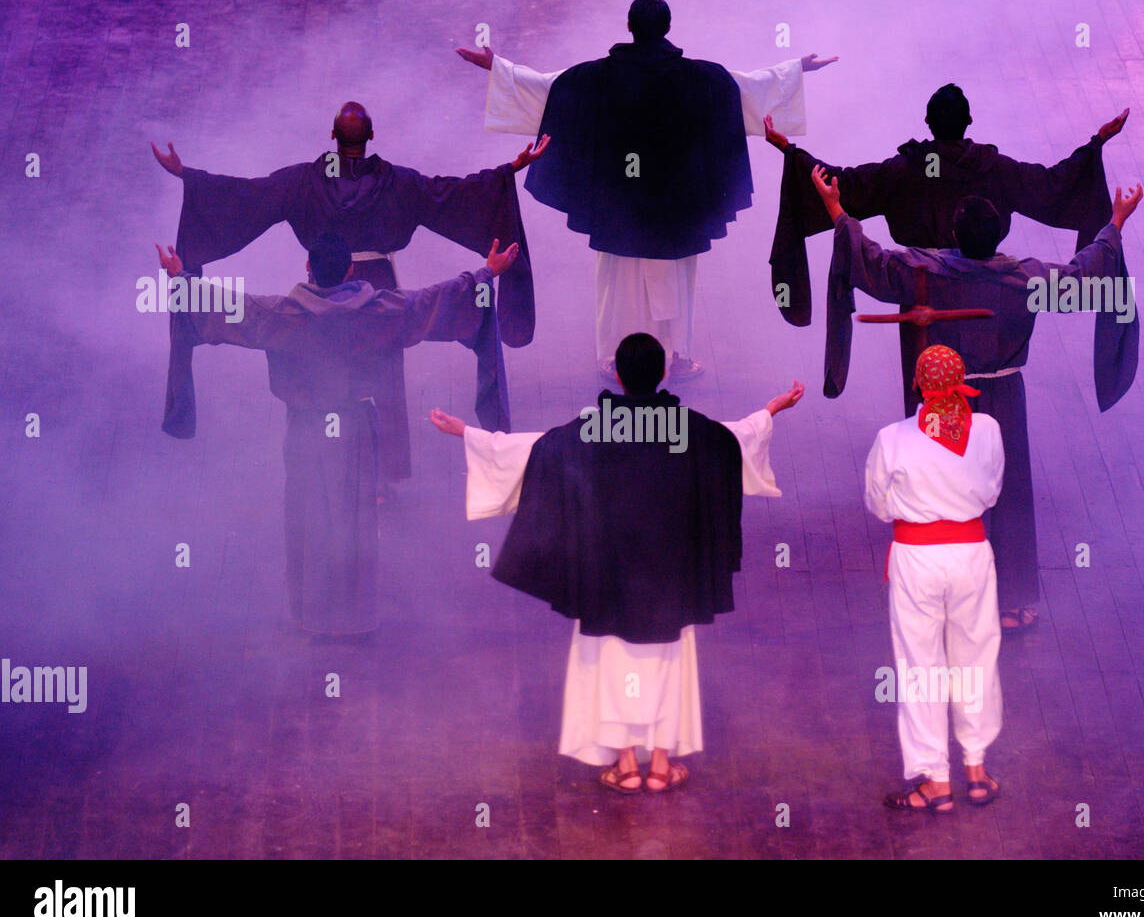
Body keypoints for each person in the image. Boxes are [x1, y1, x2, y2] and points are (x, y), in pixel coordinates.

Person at [431, 333, 803, 792]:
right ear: (664, 373)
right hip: (670, 574)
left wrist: (467, 434)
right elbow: (733, 439)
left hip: (609, 573)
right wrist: (771, 410)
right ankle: (662, 766)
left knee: (611, 661)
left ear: (617, 375)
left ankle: (626, 765)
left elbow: (532, 450)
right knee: (668, 659)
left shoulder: (593, 428)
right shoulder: (687, 428)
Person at [151, 102, 546, 495]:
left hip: (322, 282)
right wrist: (506, 173)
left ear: (332, 135)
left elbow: (248, 195)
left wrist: (190, 177)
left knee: (315, 347)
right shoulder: (396, 183)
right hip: (377, 287)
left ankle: (316, 435)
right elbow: (450, 194)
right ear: (371, 136)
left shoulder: (303, 182)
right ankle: (384, 472)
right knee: (384, 369)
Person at [811, 164, 1144, 629]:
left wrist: (833, 205)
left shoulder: (922, 271)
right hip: (1004, 394)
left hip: (941, 398)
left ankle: (942, 597)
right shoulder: (1026, 280)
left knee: (938, 488)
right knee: (1007, 490)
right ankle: (1009, 602)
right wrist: (1117, 222)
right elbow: (1083, 272)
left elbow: (868, 256)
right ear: (1000, 234)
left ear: (952, 233)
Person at [156, 232, 520, 637]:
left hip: (306, 429)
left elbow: (227, 307)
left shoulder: (278, 314)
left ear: (308, 269)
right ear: (350, 269)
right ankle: (354, 618)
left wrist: (181, 279)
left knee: (308, 515)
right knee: (356, 517)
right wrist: (487, 272)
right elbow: (435, 300)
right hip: (358, 426)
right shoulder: (382, 310)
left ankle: (312, 616)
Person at [457, 0, 836, 378]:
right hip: (677, 203)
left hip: (618, 202)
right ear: (667, 28)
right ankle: (679, 357)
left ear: (629, 27)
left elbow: (548, 88)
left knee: (618, 279)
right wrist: (796, 69)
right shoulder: (700, 77)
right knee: (677, 278)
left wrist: (498, 68)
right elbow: (747, 90)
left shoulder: (598, 76)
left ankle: (613, 360)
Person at [766, 85, 1137, 436]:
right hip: (995, 300)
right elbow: (1054, 187)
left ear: (928, 123)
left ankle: (930, 465)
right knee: (996, 425)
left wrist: (792, 154)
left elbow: (849, 193)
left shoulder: (906, 184)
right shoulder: (1018, 263)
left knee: (931, 388)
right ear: (969, 122)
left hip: (926, 292)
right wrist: (1098, 150)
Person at [864, 344, 1004, 812]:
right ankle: (977, 769)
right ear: (962, 382)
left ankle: (936, 781)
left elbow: (878, 505)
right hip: (970, 554)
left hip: (917, 557)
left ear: (919, 385)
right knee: (975, 657)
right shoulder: (987, 430)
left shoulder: (892, 438)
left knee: (920, 666)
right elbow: (992, 492)